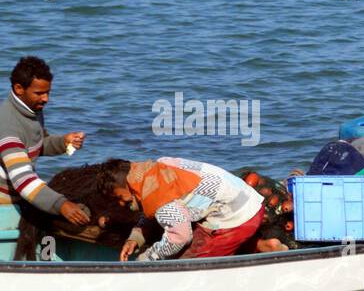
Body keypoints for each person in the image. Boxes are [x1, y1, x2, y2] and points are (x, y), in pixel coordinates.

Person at [99, 157, 265, 260]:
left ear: (127, 186)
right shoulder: (158, 167)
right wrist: (135, 238)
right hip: (248, 198)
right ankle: (263, 246)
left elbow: (180, 237)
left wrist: (147, 258)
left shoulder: (163, 202)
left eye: (119, 198)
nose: (120, 204)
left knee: (190, 262)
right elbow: (154, 209)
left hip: (238, 217)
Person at [1, 56, 91, 228]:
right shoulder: (8, 127)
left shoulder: (31, 110)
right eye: (39, 93)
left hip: (20, 195)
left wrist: (63, 142)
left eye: (48, 92)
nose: (46, 99)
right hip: (5, 203)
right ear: (19, 88)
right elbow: (23, 180)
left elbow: (37, 145)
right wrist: (61, 205)